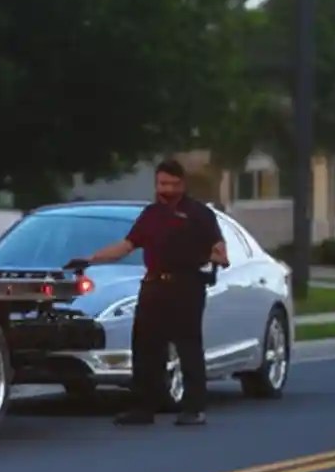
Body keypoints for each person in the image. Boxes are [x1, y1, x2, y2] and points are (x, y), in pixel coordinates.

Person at [67, 158, 228, 426]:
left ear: (182, 184)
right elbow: (127, 245)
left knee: (188, 346)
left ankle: (193, 408)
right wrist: (91, 259)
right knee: (145, 347)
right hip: (154, 286)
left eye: (173, 185)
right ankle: (142, 407)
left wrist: (217, 256)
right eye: (162, 184)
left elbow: (218, 247)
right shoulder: (151, 215)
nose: (167, 190)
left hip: (186, 286)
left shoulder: (199, 214)